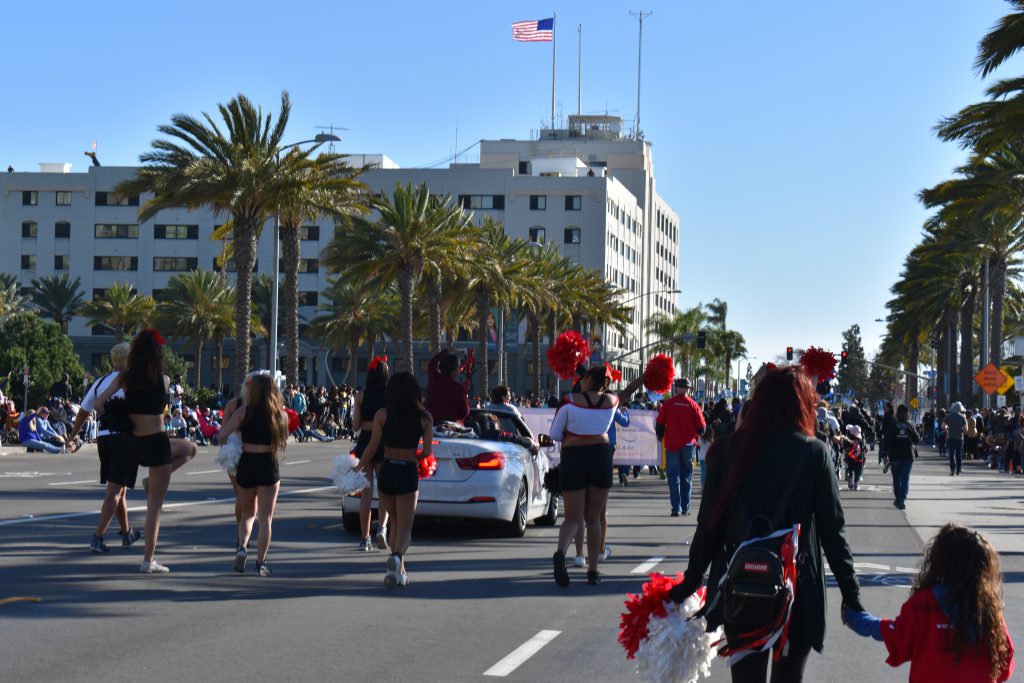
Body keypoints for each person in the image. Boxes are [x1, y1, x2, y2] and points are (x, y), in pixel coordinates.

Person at [668, 365, 864, 681]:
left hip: (742, 584)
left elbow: (709, 525)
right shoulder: (814, 452)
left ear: (758, 402)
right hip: (796, 586)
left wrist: (690, 583)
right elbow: (833, 533)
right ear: (804, 404)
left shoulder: (728, 449)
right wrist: (851, 596)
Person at [844, 523, 1015, 682]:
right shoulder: (988, 611)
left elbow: (894, 634)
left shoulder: (924, 603)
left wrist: (856, 617)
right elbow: (1004, 662)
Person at [94, 328, 198, 573]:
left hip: (133, 442)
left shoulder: (125, 378)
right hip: (157, 443)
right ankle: (147, 561)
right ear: (156, 354)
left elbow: (98, 404)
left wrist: (117, 417)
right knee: (154, 508)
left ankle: (150, 484)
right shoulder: (163, 380)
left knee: (189, 448)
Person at [355, 371, 433, 589]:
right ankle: (397, 557)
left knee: (394, 523)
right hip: (407, 470)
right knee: (405, 527)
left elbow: (372, 448)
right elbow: (427, 452)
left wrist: (358, 467)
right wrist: (415, 457)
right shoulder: (424, 418)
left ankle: (399, 572)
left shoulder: (382, 414)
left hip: (387, 469)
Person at [548, 365, 620, 586]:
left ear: (588, 379)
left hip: (574, 458)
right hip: (601, 458)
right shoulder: (612, 401)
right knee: (594, 518)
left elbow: (554, 434)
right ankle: (593, 571)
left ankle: (561, 553)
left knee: (572, 518)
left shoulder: (569, 400)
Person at [68, 342, 142, 553]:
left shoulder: (100, 382)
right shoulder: (131, 382)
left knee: (118, 489)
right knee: (114, 492)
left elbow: (83, 412)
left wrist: (72, 435)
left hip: (104, 438)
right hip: (124, 438)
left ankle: (127, 533)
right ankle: (98, 537)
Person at [218, 372, 289, 576]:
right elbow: (283, 439)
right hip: (268, 464)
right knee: (266, 518)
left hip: (247, 463)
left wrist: (233, 445)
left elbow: (223, 434)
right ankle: (260, 563)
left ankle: (242, 548)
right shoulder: (280, 415)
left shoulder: (244, 411)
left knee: (247, 514)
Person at [353, 356, 390, 551]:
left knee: (366, 493)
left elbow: (355, 426)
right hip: (384, 441)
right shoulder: (390, 395)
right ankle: (382, 529)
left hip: (366, 441)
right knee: (385, 491)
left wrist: (358, 404)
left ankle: (364, 538)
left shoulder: (362, 395)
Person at [655, 377, 707, 516]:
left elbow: (659, 424)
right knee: (686, 477)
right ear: (688, 389)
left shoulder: (668, 404)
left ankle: (676, 508)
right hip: (688, 445)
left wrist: (660, 436)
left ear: (676, 388)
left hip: (672, 444)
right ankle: (685, 508)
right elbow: (702, 428)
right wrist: (695, 434)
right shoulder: (693, 405)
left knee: (673, 477)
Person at [882, 404, 920, 510]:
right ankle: (902, 499)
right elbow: (917, 440)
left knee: (896, 478)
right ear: (907, 414)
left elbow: (887, 440)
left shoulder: (893, 425)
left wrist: (884, 454)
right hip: (908, 455)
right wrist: (909, 431)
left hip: (895, 455)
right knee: (905, 478)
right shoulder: (910, 425)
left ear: (897, 413)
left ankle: (898, 498)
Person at [425, 349, 469, 426]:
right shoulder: (459, 388)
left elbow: (432, 363)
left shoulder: (434, 379)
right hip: (451, 426)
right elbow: (464, 412)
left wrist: (444, 352)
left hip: (431, 425)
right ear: (454, 370)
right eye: (459, 367)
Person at [944, 401, 968, 476]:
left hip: (951, 437)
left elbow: (943, 426)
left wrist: (947, 429)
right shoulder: (962, 417)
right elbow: (966, 429)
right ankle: (958, 469)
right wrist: (961, 429)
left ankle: (952, 469)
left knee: (951, 454)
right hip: (960, 438)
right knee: (959, 454)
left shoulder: (948, 416)